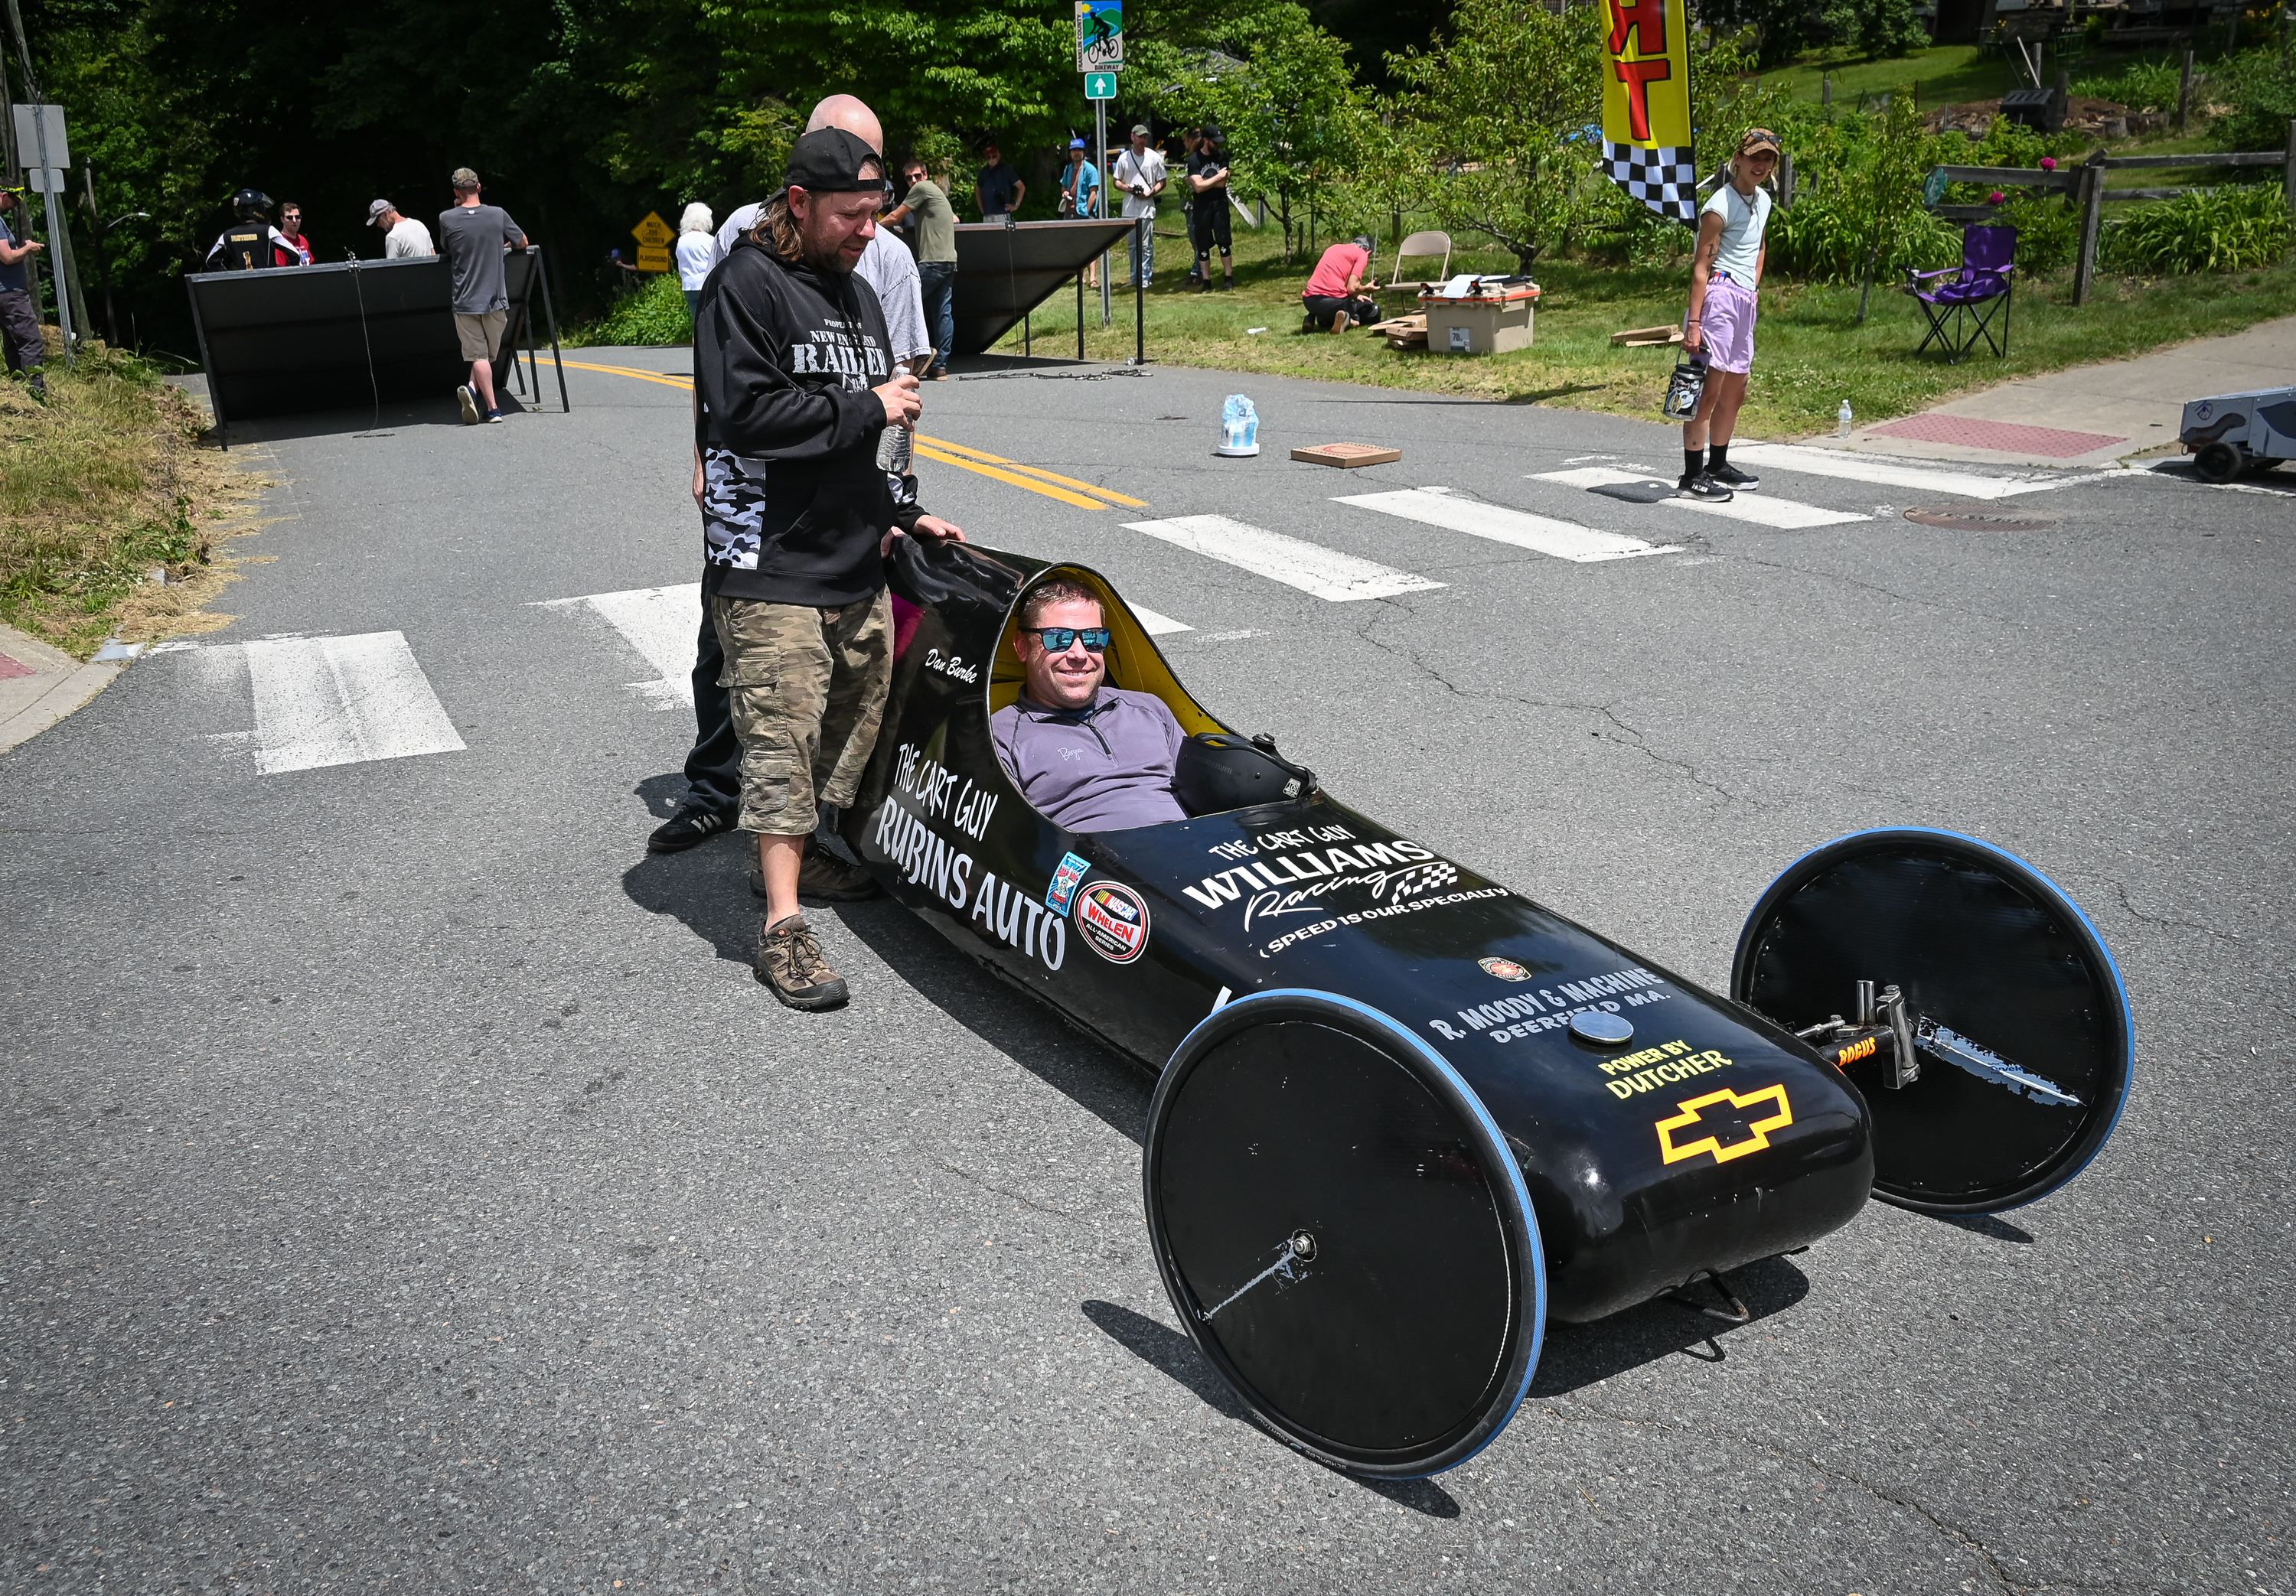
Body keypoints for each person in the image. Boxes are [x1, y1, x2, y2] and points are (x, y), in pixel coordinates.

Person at [693, 125, 965, 1009]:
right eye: (850, 216)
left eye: (875, 215)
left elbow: (864, 438)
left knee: (851, 721)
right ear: (799, 204)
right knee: (780, 740)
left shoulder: (860, 293)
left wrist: (903, 511)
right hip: (771, 562)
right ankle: (780, 925)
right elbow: (745, 416)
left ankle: (804, 860)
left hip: (852, 557)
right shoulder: (746, 283)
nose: (867, 232)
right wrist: (869, 405)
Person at [991, 579, 1187, 833]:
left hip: (1193, 851)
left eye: (1093, 639)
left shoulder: (1150, 709)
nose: (1079, 654)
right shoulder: (1000, 738)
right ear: (1022, 647)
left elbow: (1206, 790)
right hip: (1099, 865)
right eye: (1058, 639)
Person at [1679, 128, 1780, 503]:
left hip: (1743, 299)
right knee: (1710, 388)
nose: (1760, 165)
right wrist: (1693, 323)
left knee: (1737, 388)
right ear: (1737, 160)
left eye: (1767, 159)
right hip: (1718, 297)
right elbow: (1701, 267)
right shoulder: (1719, 206)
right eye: (1754, 157)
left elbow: (1760, 244)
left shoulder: (1764, 201)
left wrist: (1752, 285)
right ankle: (1692, 474)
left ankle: (1718, 464)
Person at [436, 167, 528, 425]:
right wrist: (500, 246)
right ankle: (492, 407)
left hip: (465, 301)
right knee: (487, 355)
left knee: (480, 356)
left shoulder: (447, 218)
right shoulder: (498, 215)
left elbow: (448, 247)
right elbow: (522, 242)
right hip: (495, 300)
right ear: (478, 187)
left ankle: (476, 392)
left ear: (456, 192)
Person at [885, 157, 956, 378]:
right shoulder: (936, 191)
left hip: (932, 262)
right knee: (942, 313)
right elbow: (954, 218)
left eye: (917, 175)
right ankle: (940, 366)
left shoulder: (922, 188)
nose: (913, 181)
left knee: (905, 305)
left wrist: (872, 228)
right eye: (909, 178)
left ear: (925, 175)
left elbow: (897, 216)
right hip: (949, 261)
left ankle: (917, 357)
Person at [0, 185, 47, 403]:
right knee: (31, 340)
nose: (15, 206)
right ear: (3, 196)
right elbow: (7, 257)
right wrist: (27, 249)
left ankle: (19, 391)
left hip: (6, 294)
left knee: (13, 342)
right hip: (10, 294)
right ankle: (36, 392)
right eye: (14, 201)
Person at [1112, 125, 1166, 288]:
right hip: (1129, 209)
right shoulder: (1124, 158)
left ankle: (1146, 278)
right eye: (1140, 137)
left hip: (1147, 208)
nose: (1142, 140)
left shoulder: (1154, 157)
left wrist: (1150, 192)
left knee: (1146, 245)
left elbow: (1162, 181)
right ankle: (1135, 277)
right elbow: (1116, 181)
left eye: (1144, 137)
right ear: (1132, 137)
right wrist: (1128, 188)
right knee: (1133, 246)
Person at [205, 189, 304, 270]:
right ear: (256, 209)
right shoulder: (268, 231)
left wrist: (229, 278)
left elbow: (211, 261)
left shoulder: (227, 235)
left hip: (244, 290)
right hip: (270, 288)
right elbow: (295, 255)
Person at [1186, 125, 1234, 291]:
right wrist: (1218, 176)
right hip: (1202, 206)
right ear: (1206, 141)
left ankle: (1228, 278)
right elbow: (1198, 187)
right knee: (1203, 243)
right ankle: (1207, 282)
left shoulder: (1223, 157)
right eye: (1214, 142)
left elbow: (1222, 184)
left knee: (1224, 240)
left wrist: (1208, 181)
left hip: (1219, 204)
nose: (1217, 145)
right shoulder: (1194, 160)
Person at [1303, 233, 1380, 332]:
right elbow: (1352, 288)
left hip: (1309, 301)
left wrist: (1356, 296)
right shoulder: (1362, 254)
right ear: (1368, 252)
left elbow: (1335, 279)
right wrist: (1366, 288)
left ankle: (1309, 319)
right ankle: (1347, 319)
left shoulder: (1334, 248)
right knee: (1356, 320)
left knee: (1321, 303)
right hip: (1333, 303)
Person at [1058, 137, 1104, 290]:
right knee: (1074, 246)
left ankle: (1093, 278)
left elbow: (1094, 193)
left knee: (1091, 245)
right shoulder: (1068, 169)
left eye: (1079, 150)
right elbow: (1063, 187)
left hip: (1085, 212)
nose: (1076, 153)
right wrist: (1064, 193)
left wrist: (1086, 211)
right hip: (1069, 212)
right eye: (1073, 151)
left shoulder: (1090, 169)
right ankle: (1081, 276)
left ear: (1084, 152)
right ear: (1070, 153)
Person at [676, 202, 716, 321]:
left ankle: (698, 339)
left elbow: (680, 265)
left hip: (689, 286)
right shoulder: (709, 240)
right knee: (711, 322)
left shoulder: (682, 241)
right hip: (706, 285)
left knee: (697, 322)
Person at [367, 199, 434, 259]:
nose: (378, 225)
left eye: (377, 221)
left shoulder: (392, 237)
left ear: (385, 214)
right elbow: (433, 254)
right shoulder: (419, 225)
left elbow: (392, 269)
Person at [975, 142, 1024, 220]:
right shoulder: (983, 172)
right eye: (989, 157)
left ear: (998, 156)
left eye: (994, 156)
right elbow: (978, 190)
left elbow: (1021, 187)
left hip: (1003, 214)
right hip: (988, 214)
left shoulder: (1006, 170)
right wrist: (981, 209)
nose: (991, 159)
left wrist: (1016, 205)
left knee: (1003, 233)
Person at [278, 200, 313, 265]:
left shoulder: (303, 240)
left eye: (297, 217)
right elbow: (280, 271)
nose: (294, 221)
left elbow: (310, 264)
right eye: (290, 217)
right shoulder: (279, 242)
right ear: (282, 219)